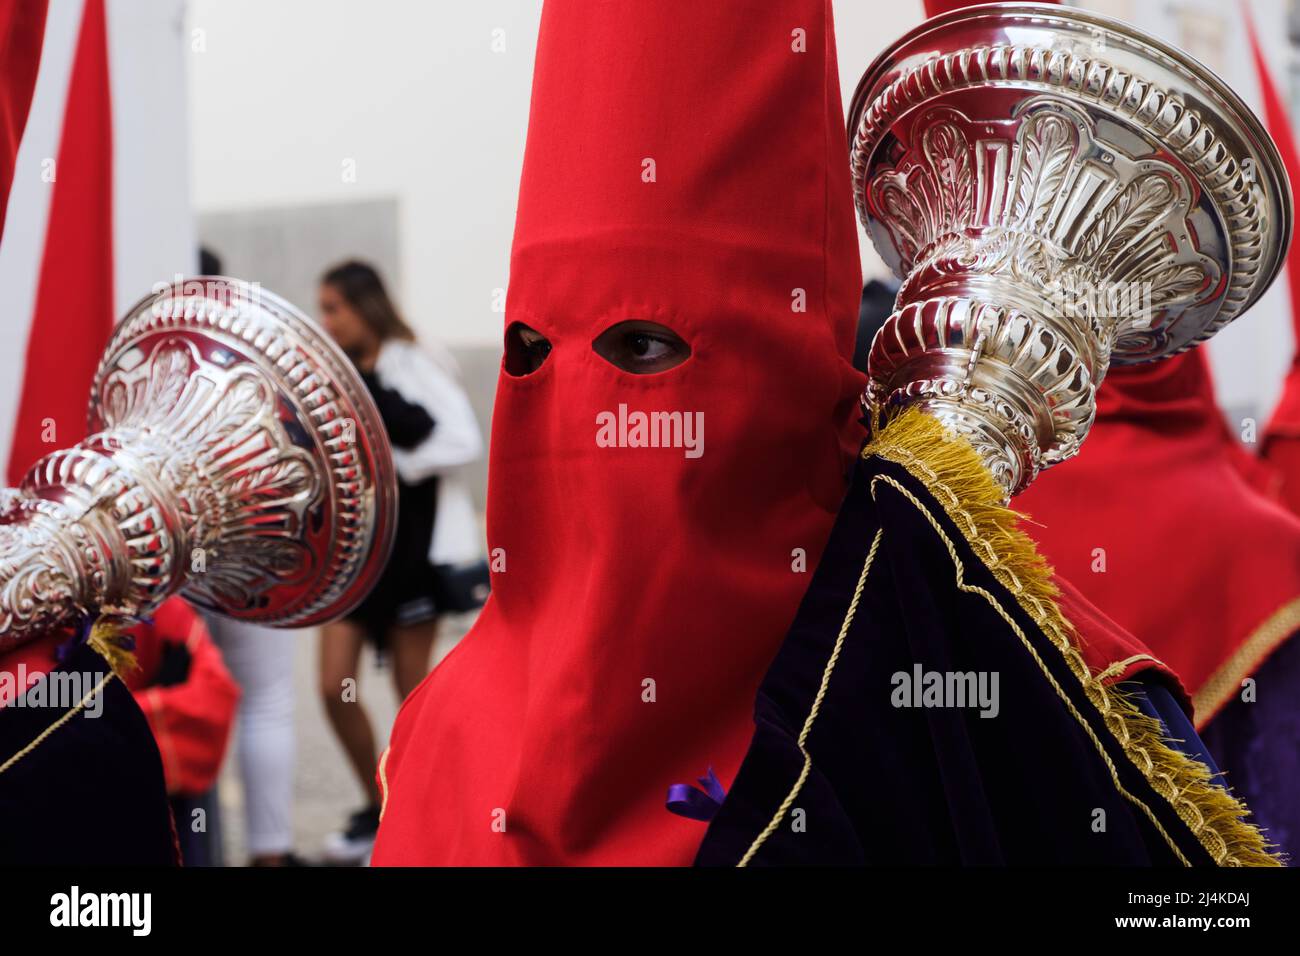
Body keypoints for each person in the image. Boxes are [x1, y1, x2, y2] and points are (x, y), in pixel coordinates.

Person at [372, 0, 867, 866]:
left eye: (640, 347)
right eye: (530, 353)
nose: (577, 406)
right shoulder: (442, 734)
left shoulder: (929, 710)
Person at [317, 259, 483, 864]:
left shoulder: (415, 360)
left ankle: (426, 819)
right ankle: (378, 805)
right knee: (333, 687)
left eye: (335, 308)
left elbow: (465, 438)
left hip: (413, 553)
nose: (326, 320)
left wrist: (393, 465)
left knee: (415, 698)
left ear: (366, 307)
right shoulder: (344, 371)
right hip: (358, 555)